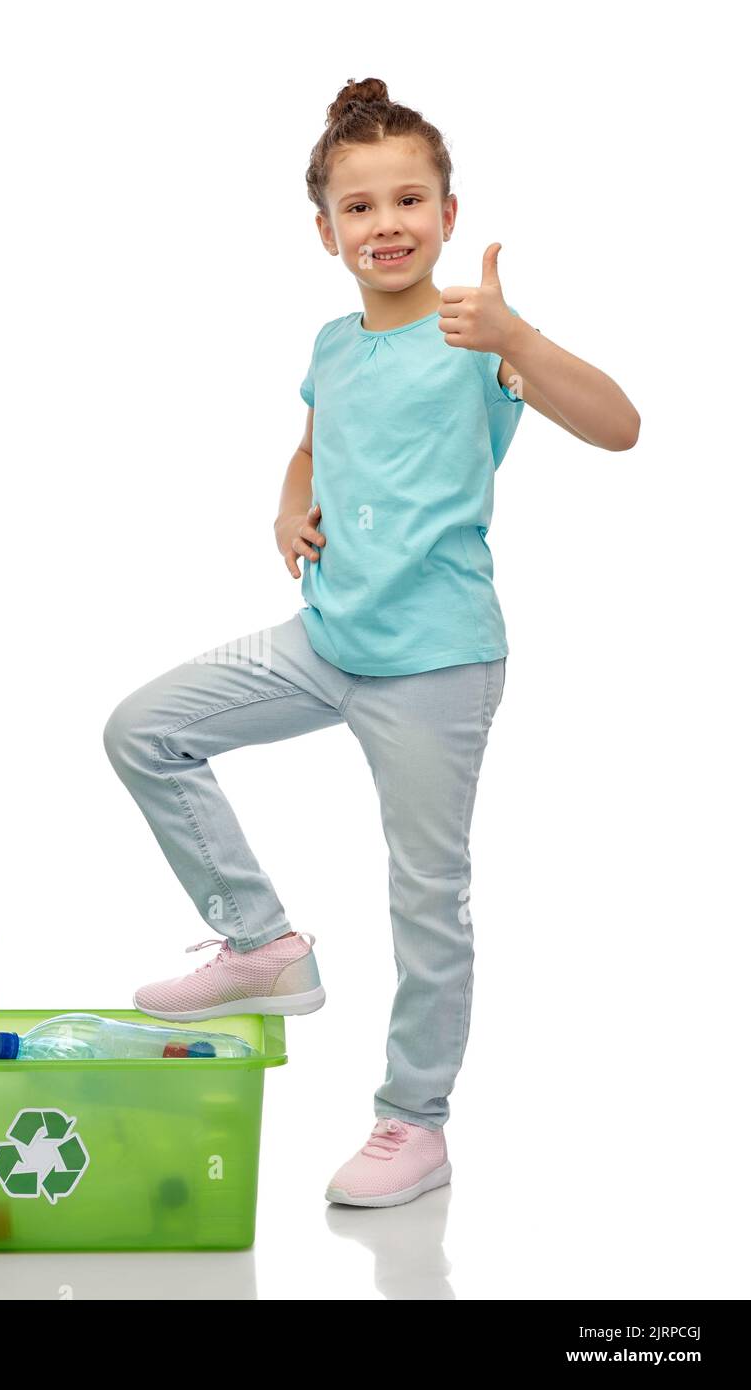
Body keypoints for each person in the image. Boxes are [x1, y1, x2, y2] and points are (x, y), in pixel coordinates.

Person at [102, 77, 640, 1208]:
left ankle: (413, 1124)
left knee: (425, 896)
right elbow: (311, 444)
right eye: (360, 207)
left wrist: (517, 337)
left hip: (437, 664)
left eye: (409, 199)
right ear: (325, 231)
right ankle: (263, 943)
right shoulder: (333, 343)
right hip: (326, 638)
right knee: (145, 729)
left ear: (448, 212)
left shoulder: (475, 336)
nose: (385, 223)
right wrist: (285, 503)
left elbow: (621, 426)